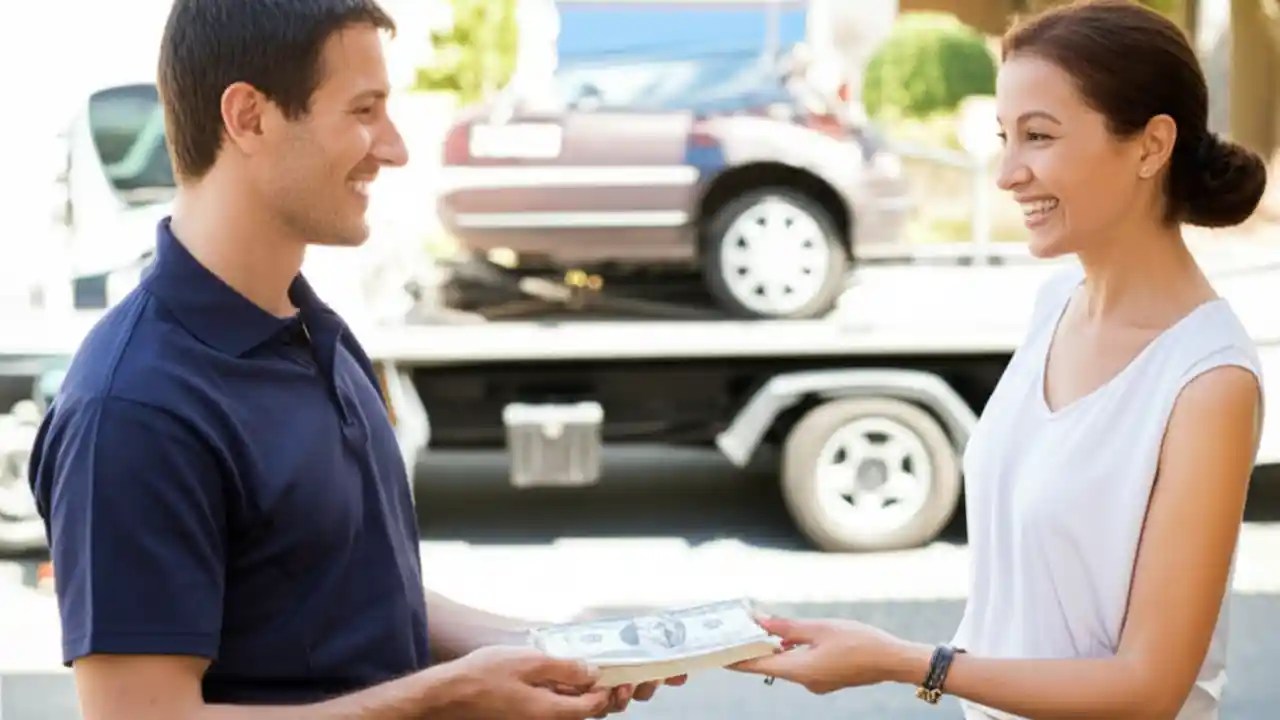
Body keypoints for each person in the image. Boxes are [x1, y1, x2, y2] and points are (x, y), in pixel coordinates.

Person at [27, 1, 683, 718]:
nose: (394, 147)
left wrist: (556, 650)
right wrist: (451, 698)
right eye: (364, 110)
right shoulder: (134, 408)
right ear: (249, 116)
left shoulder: (315, 333)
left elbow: (350, 593)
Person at [730, 2, 1269, 719]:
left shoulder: (1208, 381)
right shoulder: (1055, 305)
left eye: (1039, 137)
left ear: (1150, 146)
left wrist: (899, 662)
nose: (1008, 173)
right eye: (1004, 137)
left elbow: (1148, 689)